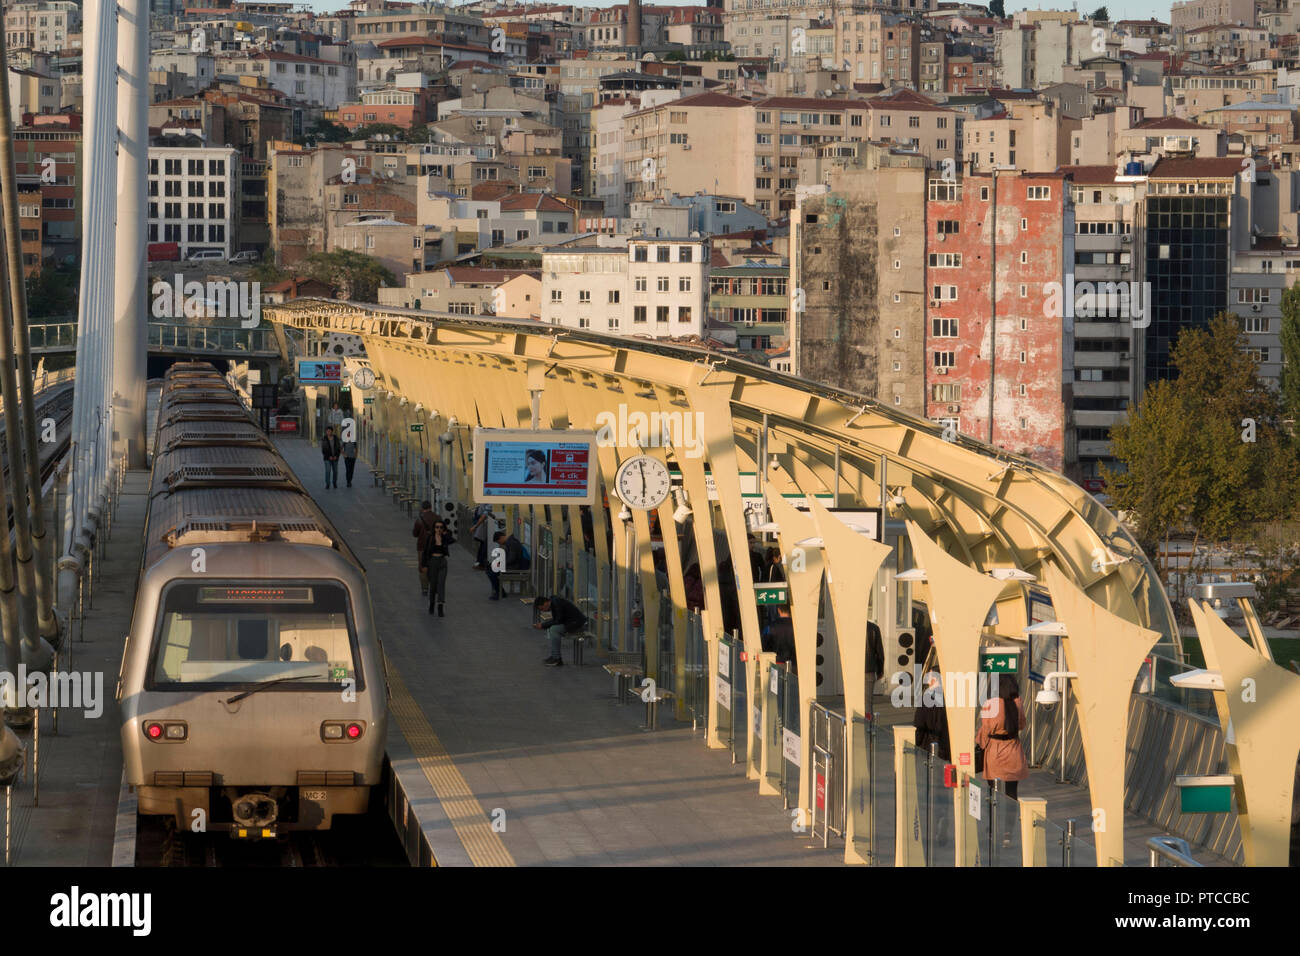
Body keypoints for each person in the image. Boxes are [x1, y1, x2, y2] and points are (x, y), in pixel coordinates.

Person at [977, 674, 1028, 845]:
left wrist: (980, 744)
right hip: (1013, 751)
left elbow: (985, 729)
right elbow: (1022, 725)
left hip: (994, 752)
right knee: (1012, 795)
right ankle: (1008, 833)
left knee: (992, 794)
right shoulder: (1018, 702)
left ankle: (992, 829)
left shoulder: (990, 704)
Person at [534, 594, 587, 667]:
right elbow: (558, 619)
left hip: (578, 624)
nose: (543, 611)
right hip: (572, 623)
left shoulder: (556, 603)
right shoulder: (555, 602)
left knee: (554, 629)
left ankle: (557, 658)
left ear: (546, 603)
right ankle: (554, 656)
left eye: (542, 608)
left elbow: (558, 620)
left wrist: (543, 625)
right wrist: (545, 625)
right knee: (552, 628)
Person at [420, 519, 455, 617]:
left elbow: (453, 540)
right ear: (434, 528)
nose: (438, 529)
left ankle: (440, 606)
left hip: (442, 562)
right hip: (432, 562)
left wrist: (445, 533)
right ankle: (432, 604)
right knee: (433, 585)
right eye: (437, 527)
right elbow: (425, 552)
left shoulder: (445, 538)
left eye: (441, 527)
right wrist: (424, 565)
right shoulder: (430, 538)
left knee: (441, 583)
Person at [486, 529, 528, 599]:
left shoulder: (511, 543)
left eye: (499, 541)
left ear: (502, 537)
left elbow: (512, 558)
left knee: (492, 572)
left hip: (516, 566)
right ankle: (499, 591)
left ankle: (500, 592)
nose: (499, 544)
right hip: (515, 564)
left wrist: (501, 564)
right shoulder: (510, 542)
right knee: (490, 569)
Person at [412, 502, 437, 596]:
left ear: (422, 508)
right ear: (431, 507)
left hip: (422, 547)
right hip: (435, 547)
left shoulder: (419, 519)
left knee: (423, 568)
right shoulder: (437, 517)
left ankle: (425, 588)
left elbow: (415, 534)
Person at [769, 603, 796, 670]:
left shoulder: (771, 626)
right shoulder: (796, 626)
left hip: (776, 662)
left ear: (779, 610)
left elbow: (765, 645)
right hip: (794, 664)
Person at [470, 503, 495, 569]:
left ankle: (481, 563)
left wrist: (475, 526)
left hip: (486, 525)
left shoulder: (490, 501)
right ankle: (480, 562)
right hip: (483, 525)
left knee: (484, 545)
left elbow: (484, 515)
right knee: (482, 545)